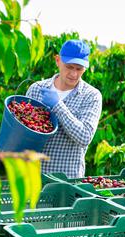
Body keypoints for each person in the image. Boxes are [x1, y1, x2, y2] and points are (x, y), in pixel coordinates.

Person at [26, 39, 102, 178]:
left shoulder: (91, 96)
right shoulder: (36, 89)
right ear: (57, 60)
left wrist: (57, 106)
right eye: (69, 67)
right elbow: (24, 130)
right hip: (34, 177)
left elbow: (84, 137)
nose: (74, 74)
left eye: (79, 69)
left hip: (67, 181)